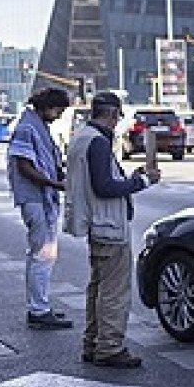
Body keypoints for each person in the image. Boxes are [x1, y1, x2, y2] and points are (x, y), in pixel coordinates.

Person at [63, 91, 160, 367]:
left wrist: (133, 177)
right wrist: (143, 183)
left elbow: (103, 179)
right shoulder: (98, 143)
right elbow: (104, 187)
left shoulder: (81, 138)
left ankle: (92, 343)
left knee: (98, 288)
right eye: (118, 116)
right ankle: (109, 347)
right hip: (109, 226)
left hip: (96, 224)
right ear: (112, 114)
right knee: (114, 292)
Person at [8, 87, 72, 330]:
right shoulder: (28, 127)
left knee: (40, 254)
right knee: (43, 255)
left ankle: (40, 306)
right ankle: (39, 309)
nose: (59, 115)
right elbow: (24, 165)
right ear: (48, 106)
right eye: (58, 110)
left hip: (39, 196)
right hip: (35, 197)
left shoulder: (36, 125)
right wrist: (54, 183)